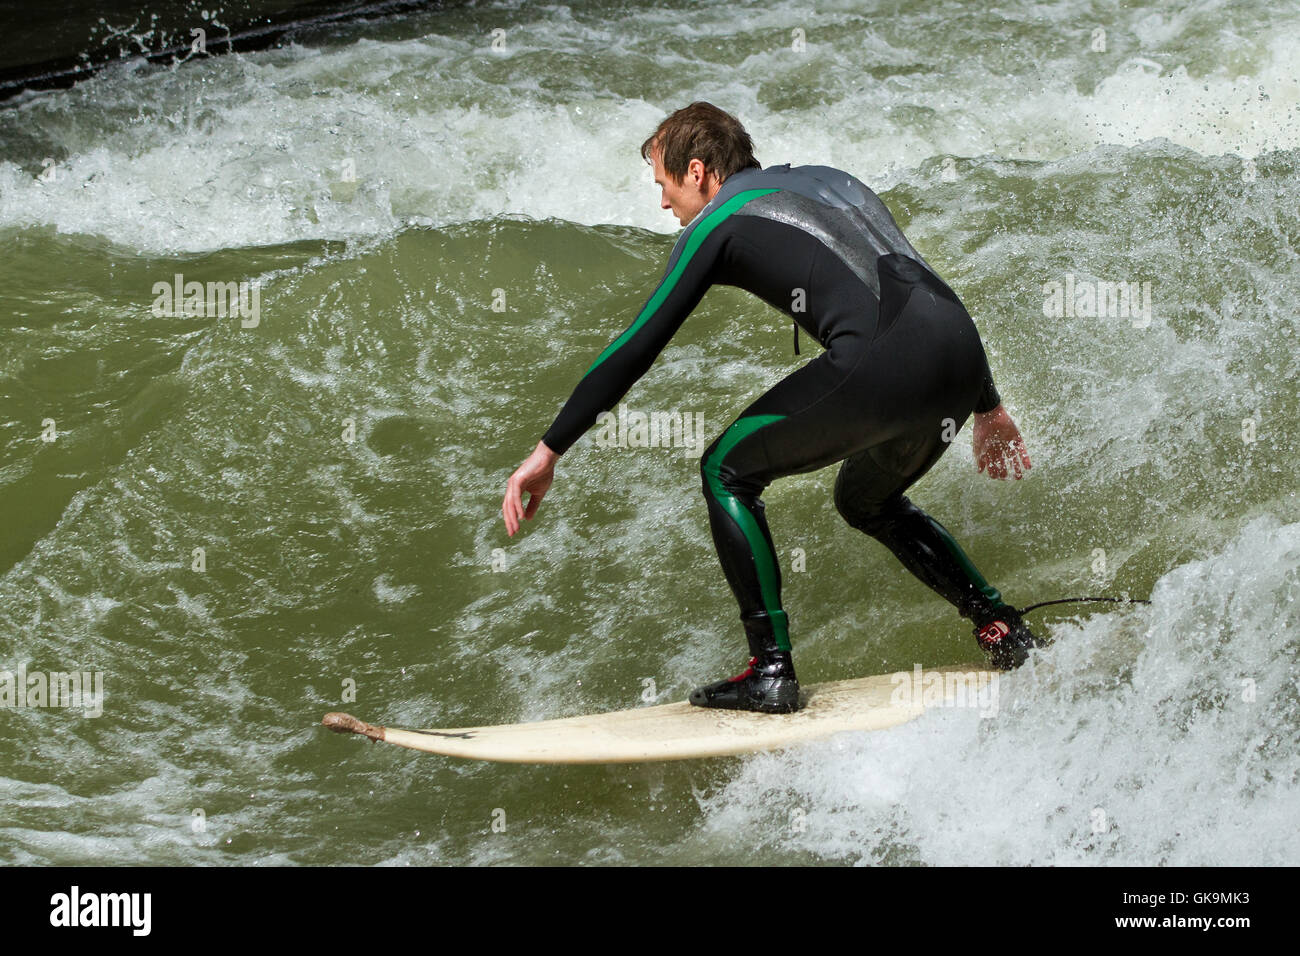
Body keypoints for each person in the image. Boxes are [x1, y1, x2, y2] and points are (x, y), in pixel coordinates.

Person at [501, 102, 1040, 713]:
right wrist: (988, 405)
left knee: (725, 470)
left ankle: (771, 669)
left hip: (881, 365)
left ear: (699, 172)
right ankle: (1001, 626)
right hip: (960, 356)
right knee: (867, 501)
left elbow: (636, 345)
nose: (663, 204)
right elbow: (920, 284)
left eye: (663, 185)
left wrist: (549, 451)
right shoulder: (837, 181)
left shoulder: (718, 220)